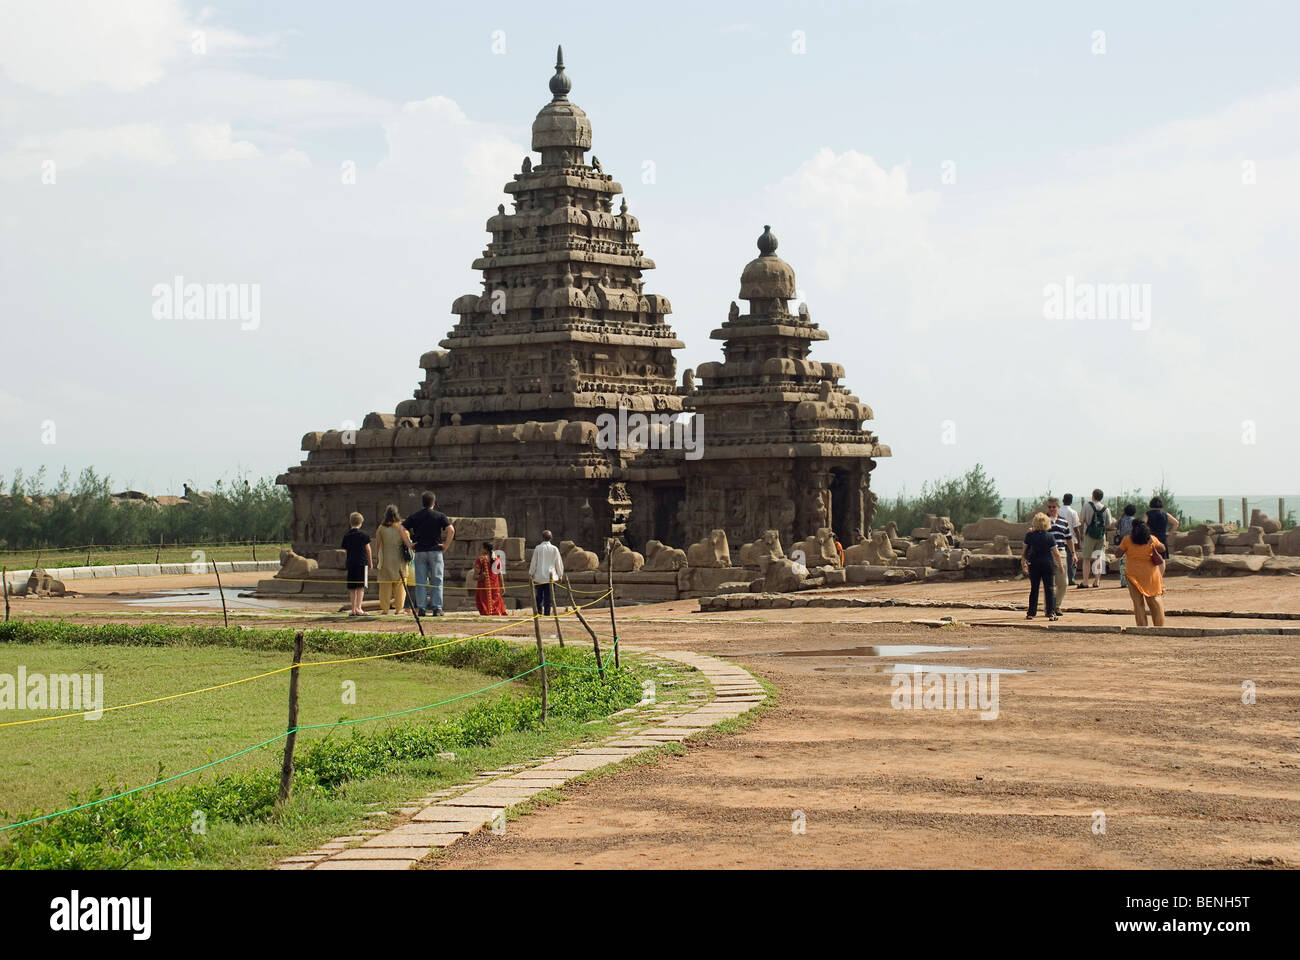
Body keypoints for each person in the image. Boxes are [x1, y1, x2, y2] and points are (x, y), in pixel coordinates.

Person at [404, 491, 454, 617]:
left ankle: (421, 608)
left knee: (420, 581)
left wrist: (409, 544)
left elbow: (401, 528)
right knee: (437, 579)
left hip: (420, 551)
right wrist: (446, 545)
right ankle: (437, 608)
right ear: (433, 502)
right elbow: (451, 530)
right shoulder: (439, 515)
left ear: (422, 502)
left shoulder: (415, 516)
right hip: (435, 550)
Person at [1116, 519, 1166, 625]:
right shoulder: (1151, 539)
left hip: (1133, 575)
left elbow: (1118, 554)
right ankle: (1159, 625)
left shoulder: (1127, 540)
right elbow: (1162, 548)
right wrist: (1153, 545)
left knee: (1138, 603)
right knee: (1155, 600)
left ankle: (1142, 626)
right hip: (1150, 574)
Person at [373, 504, 414, 615]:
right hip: (399, 559)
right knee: (400, 585)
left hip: (386, 559)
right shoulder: (401, 527)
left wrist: (377, 558)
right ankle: (399, 609)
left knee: (384, 586)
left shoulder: (381, 528)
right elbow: (407, 542)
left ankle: (385, 609)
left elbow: (377, 545)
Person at [1021, 512, 1060, 621]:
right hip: (1047, 563)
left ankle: (1031, 612)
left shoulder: (1029, 535)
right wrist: (1060, 565)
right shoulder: (1050, 536)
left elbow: (1024, 551)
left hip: (1034, 564)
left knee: (1034, 588)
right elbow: (1056, 553)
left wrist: (1023, 563)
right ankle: (1051, 612)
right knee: (1049, 589)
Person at [1044, 497, 1074, 616]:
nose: (1051, 509)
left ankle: (1056, 605)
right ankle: (1049, 608)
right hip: (1047, 553)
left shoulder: (1064, 521)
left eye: (1053, 507)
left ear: (1058, 507)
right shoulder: (1043, 520)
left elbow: (1069, 538)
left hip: (1061, 552)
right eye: (1049, 507)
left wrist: (1073, 553)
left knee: (1063, 582)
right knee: (1049, 582)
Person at [340, 511, 372, 617]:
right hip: (362, 563)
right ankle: (359, 608)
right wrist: (371, 562)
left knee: (352, 587)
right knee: (361, 586)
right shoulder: (364, 535)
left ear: (350, 522)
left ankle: (353, 608)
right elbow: (368, 549)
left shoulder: (346, 536)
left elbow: (345, 551)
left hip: (351, 563)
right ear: (361, 522)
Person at [1079, 489, 1111, 588]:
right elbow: (1109, 524)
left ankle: (1085, 582)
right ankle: (1097, 581)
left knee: (1086, 559)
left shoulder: (1087, 506)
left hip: (1089, 535)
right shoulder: (1106, 508)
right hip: (1101, 535)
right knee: (1099, 558)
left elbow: (1081, 520)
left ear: (1093, 495)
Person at [528, 529, 564, 616]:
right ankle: (547, 613)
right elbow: (558, 563)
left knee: (539, 595)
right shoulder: (554, 549)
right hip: (550, 577)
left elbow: (534, 562)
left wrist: (531, 573)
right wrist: (560, 575)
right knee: (549, 596)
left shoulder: (538, 548)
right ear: (551, 538)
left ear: (542, 538)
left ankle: (539, 612)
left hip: (539, 576)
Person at [474, 542, 507, 616]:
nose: (481, 550)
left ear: (485, 549)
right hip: (495, 587)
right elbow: (500, 574)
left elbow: (475, 576)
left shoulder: (480, 560)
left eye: (482, 548)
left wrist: (481, 576)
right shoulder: (497, 560)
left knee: (485, 609)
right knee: (495, 607)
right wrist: (502, 586)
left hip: (484, 588)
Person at [1060, 493, 1081, 585]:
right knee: (1072, 560)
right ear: (1071, 501)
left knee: (1060, 560)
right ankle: (1071, 579)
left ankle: (1061, 579)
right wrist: (1079, 541)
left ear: (1063, 500)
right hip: (1071, 539)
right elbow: (1076, 528)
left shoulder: (1058, 511)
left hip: (1059, 540)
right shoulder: (1073, 512)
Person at [1114, 504, 1137, 588]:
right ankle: (1133, 581)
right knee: (1133, 562)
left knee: (1123, 563)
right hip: (1133, 543)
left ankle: (1123, 582)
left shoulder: (1121, 520)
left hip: (1123, 542)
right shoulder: (1134, 521)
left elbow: (1115, 525)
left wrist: (1121, 515)